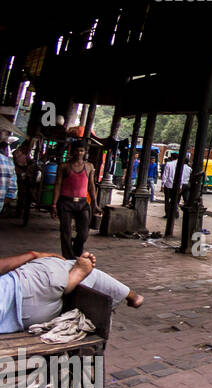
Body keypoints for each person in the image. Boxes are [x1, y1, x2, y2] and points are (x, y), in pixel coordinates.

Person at [0, 250, 144, 334]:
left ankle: (71, 278)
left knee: (60, 270)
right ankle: (131, 296)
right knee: (60, 267)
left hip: (23, 318)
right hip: (29, 285)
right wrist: (32, 255)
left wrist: (33, 255)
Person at [50, 142, 100, 259]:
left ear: (85, 152)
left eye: (82, 150)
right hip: (65, 202)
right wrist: (54, 204)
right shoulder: (64, 166)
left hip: (82, 203)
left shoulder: (89, 166)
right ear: (72, 152)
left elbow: (91, 186)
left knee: (83, 233)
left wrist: (95, 204)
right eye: (77, 150)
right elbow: (58, 184)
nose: (79, 153)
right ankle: (69, 258)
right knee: (65, 232)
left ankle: (76, 252)